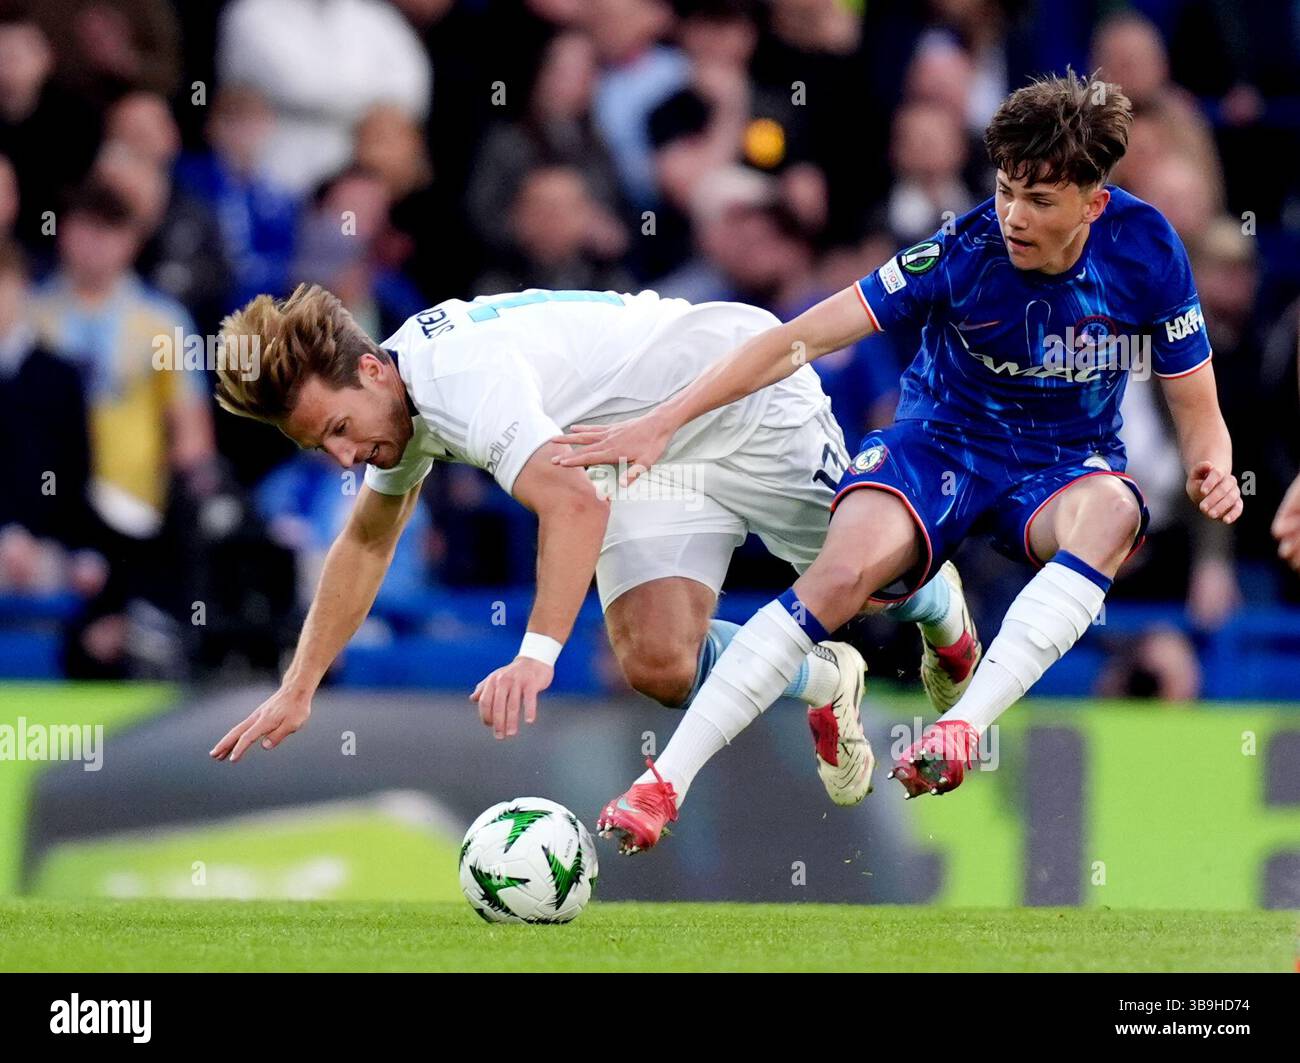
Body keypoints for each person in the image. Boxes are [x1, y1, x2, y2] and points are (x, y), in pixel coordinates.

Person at [555, 71, 1241, 852]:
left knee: (1117, 510)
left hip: (1063, 463)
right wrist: (663, 420)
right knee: (840, 578)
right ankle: (663, 782)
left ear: (1094, 202)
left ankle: (957, 730)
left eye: (1040, 201)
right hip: (939, 443)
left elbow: (1200, 411)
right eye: (1007, 188)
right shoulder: (960, 250)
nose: (1014, 214)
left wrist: (1211, 467)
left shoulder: (1148, 249)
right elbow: (795, 340)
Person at [207, 284, 979, 816]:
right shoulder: (397, 402)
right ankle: (826, 677)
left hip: (742, 404)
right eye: (324, 447)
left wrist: (536, 654)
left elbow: (572, 502)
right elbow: (368, 538)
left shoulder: (460, 382)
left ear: (370, 368)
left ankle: (942, 611)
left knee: (878, 583)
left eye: (339, 429)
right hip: (636, 458)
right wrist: (301, 683)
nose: (345, 457)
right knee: (659, 664)